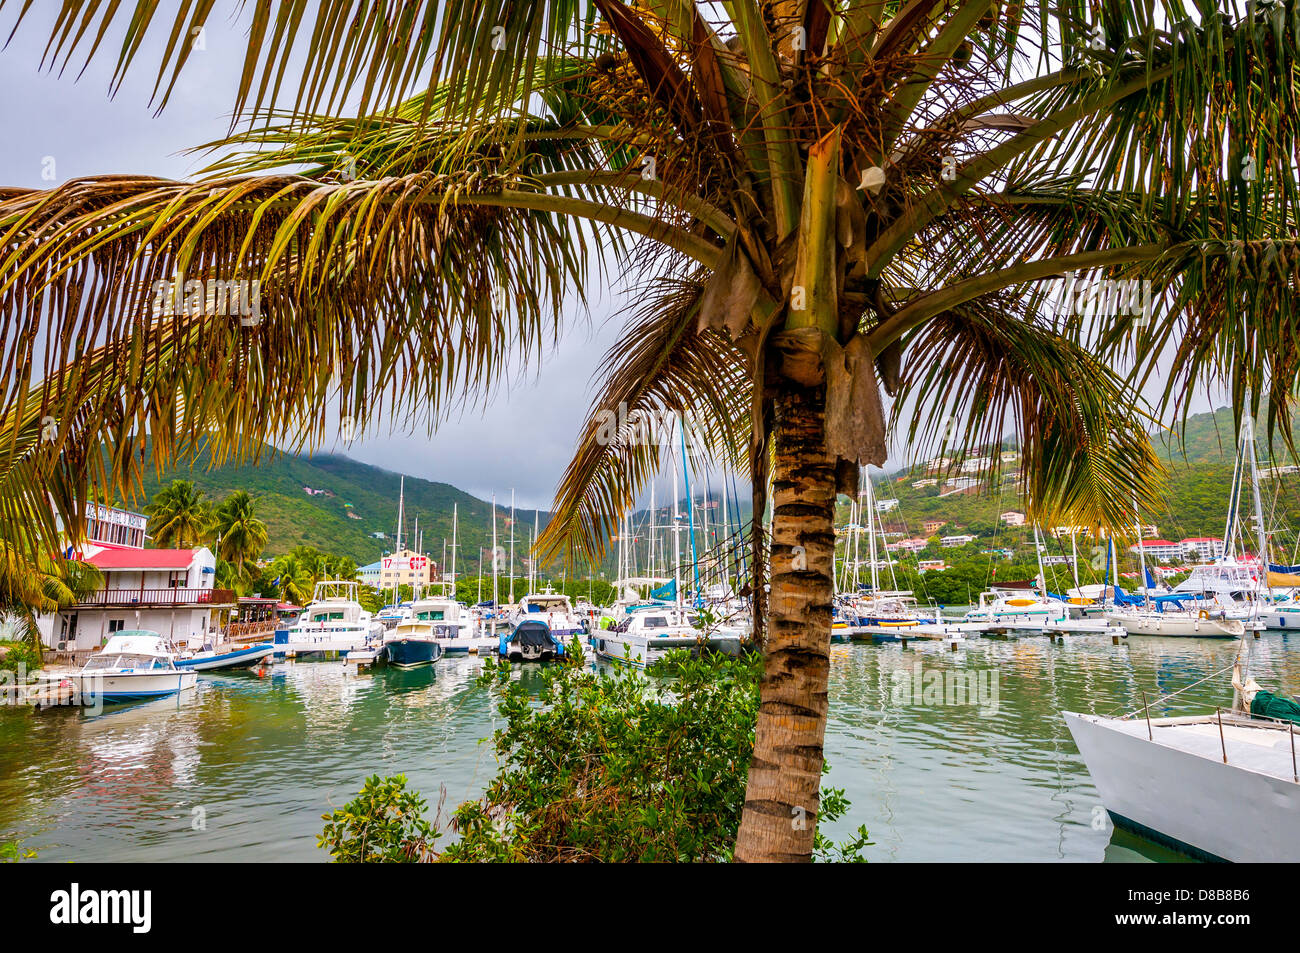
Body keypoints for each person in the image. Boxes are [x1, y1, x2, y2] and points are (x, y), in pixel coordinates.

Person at [1234, 659, 1300, 723]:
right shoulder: (1253, 694)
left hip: (1268, 702)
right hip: (1268, 703)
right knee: (1288, 710)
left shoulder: (1253, 694)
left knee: (1288, 710)